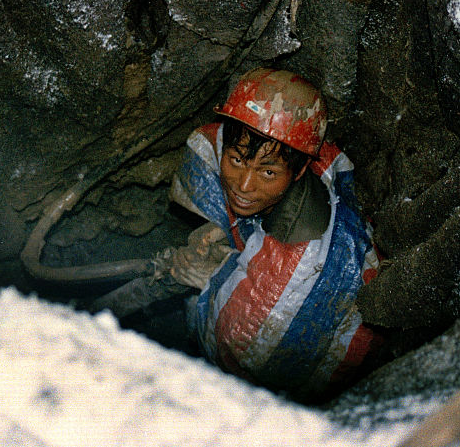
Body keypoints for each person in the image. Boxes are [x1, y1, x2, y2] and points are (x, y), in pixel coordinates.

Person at [163, 67, 382, 400]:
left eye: (268, 172)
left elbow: (244, 351)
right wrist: (222, 227)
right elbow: (216, 143)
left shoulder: (298, 265)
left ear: (300, 170)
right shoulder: (305, 154)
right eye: (236, 160)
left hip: (326, 364)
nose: (244, 185)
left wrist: (211, 278)